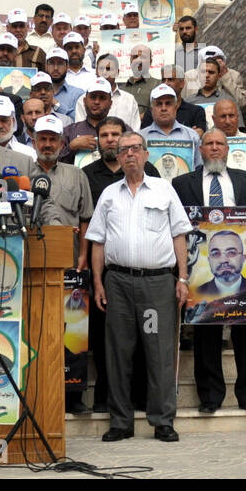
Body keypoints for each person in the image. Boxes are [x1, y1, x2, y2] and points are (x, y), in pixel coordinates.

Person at [88, 132, 191, 442]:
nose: (129, 154)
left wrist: (183, 278)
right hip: (117, 283)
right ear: (118, 157)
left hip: (157, 284)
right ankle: (120, 422)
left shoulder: (164, 190)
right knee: (118, 352)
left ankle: (162, 421)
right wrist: (98, 282)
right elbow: (97, 241)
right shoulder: (108, 194)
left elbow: (179, 235)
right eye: (123, 150)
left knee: (159, 351)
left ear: (146, 155)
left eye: (135, 149)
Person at [171, 129, 246, 414]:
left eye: (220, 143)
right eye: (209, 144)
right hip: (202, 266)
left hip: (244, 264)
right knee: (206, 334)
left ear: (227, 149)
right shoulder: (181, 183)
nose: (214, 148)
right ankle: (210, 397)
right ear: (200, 150)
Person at [81, 118, 160, 413]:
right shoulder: (87, 175)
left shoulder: (148, 172)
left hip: (147, 273)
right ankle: (105, 399)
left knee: (143, 338)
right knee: (107, 341)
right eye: (105, 135)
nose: (111, 140)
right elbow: (88, 225)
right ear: (98, 140)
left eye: (116, 134)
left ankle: (141, 398)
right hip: (108, 273)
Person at [33, 114, 96, 413]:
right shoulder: (20, 171)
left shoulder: (76, 175)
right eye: (42, 138)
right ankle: (37, 392)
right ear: (34, 141)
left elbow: (85, 219)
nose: (47, 144)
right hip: (32, 266)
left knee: (73, 332)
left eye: (52, 139)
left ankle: (73, 397)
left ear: (61, 143)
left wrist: (83, 255)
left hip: (71, 265)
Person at [141, 83, 202, 170]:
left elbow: (199, 169)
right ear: (151, 109)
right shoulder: (141, 138)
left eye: (168, 103)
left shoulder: (192, 136)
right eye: (158, 104)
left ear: (176, 107)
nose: (163, 108)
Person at [143, 65, 207, 136]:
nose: (166, 83)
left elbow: (195, 136)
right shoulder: (151, 113)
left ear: (182, 83)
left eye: (170, 79)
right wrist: (187, 133)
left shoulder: (196, 111)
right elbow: (147, 137)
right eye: (163, 80)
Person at [61, 78, 114, 161]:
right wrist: (71, 147)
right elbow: (53, 163)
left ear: (110, 103)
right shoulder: (69, 132)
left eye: (102, 98)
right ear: (84, 101)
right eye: (93, 97)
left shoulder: (122, 131)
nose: (97, 102)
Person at [88, 54, 141, 131]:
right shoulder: (84, 99)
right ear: (96, 71)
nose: (104, 73)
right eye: (101, 69)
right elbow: (82, 130)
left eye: (108, 69)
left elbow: (135, 131)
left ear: (117, 72)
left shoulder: (129, 100)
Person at [44, 47, 83, 118]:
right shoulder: (37, 93)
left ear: (67, 66)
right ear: (46, 66)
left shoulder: (77, 94)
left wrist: (57, 105)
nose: (55, 68)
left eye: (60, 64)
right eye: (52, 63)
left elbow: (80, 119)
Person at [123, 44, 159, 115]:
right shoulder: (121, 90)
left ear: (150, 61)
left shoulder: (158, 86)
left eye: (143, 57)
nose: (138, 60)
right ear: (130, 61)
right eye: (135, 57)